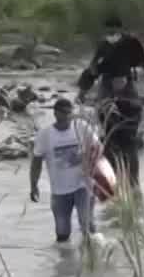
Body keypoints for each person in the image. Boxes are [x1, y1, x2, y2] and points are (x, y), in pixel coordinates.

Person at [29, 96, 102, 243]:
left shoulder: (81, 127)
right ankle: (65, 263)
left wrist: (92, 167)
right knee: (62, 235)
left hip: (83, 185)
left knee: (88, 227)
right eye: (63, 112)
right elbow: (36, 162)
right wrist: (33, 185)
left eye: (69, 113)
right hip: (59, 191)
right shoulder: (45, 135)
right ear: (55, 113)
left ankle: (93, 257)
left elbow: (98, 148)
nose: (67, 116)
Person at [79, 16, 144, 106]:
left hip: (125, 77)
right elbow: (93, 63)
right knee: (89, 75)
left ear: (120, 30)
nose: (111, 35)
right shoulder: (104, 43)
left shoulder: (131, 42)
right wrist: (91, 75)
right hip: (108, 78)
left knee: (132, 103)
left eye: (113, 32)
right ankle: (81, 97)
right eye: (108, 32)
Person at [97, 76, 144, 192]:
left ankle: (135, 203)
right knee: (111, 182)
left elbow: (136, 113)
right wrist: (107, 108)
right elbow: (103, 120)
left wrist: (116, 104)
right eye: (115, 80)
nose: (117, 83)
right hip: (112, 145)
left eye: (120, 80)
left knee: (133, 182)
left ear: (126, 82)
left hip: (129, 144)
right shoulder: (106, 102)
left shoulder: (134, 102)